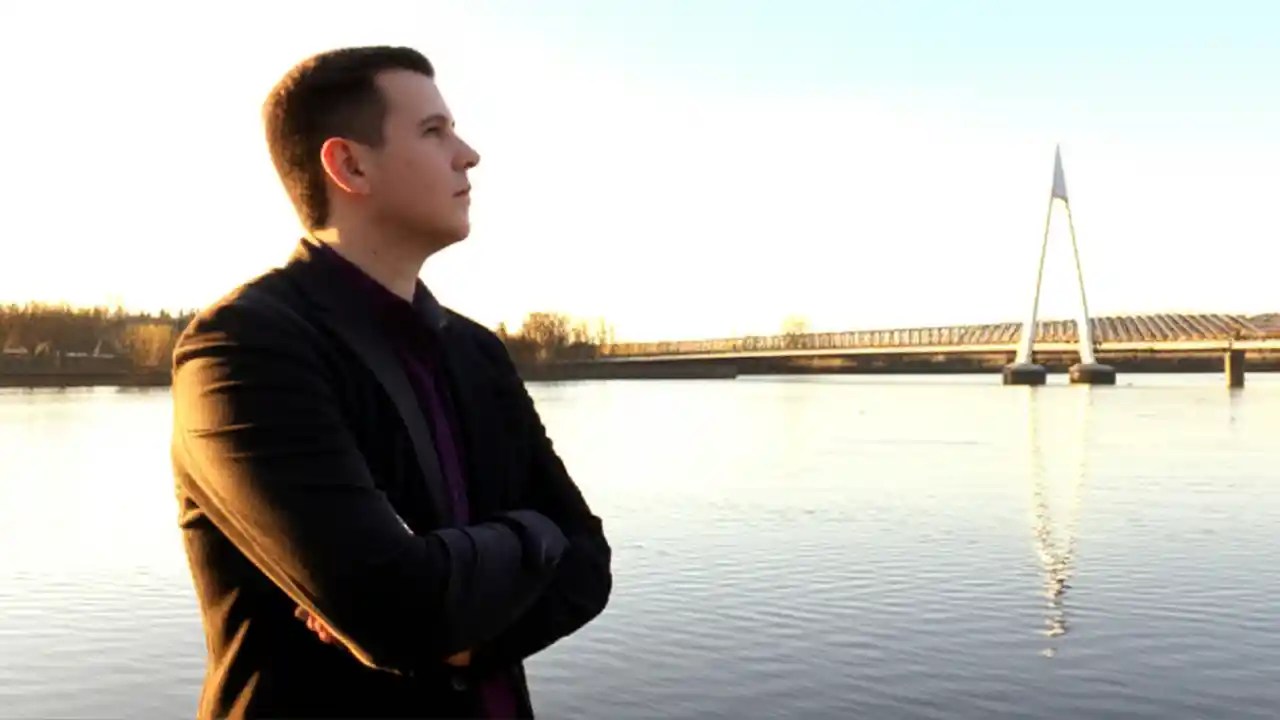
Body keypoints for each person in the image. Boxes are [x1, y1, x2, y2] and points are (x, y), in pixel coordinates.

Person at [170, 46, 612, 719]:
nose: (467, 154)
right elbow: (392, 608)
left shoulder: (475, 350)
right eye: (434, 131)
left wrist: (454, 625)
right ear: (350, 165)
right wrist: (533, 538)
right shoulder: (242, 348)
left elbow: (589, 564)